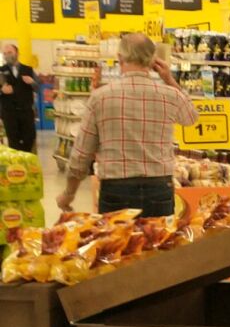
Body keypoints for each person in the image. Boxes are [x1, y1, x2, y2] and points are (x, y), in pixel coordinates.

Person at [56, 31, 197, 218]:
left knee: (117, 245)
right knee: (159, 244)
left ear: (120, 58)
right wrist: (169, 80)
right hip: (159, 188)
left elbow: (82, 154)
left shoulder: (100, 97)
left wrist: (69, 194)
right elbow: (191, 117)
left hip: (116, 190)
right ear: (153, 61)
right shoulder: (169, 95)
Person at [0, 42, 38, 152]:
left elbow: (37, 88)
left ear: (17, 53)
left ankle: (27, 164)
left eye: (10, 52)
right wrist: (1, 90)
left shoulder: (28, 70)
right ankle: (17, 166)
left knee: (29, 138)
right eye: (5, 53)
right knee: (13, 141)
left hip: (26, 112)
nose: (7, 55)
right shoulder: (1, 71)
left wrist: (32, 82)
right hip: (9, 113)